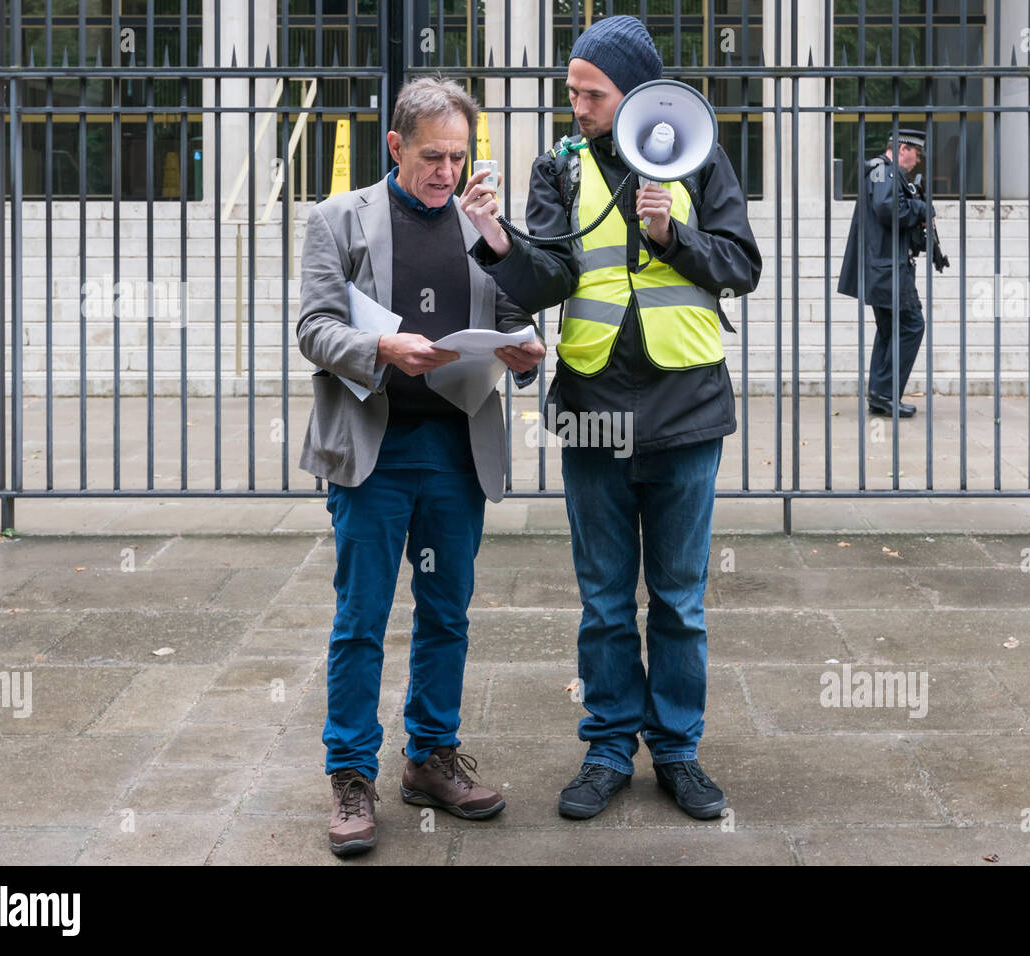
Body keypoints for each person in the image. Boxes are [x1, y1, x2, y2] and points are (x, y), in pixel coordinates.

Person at [461, 15, 762, 820]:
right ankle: (606, 749)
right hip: (594, 408)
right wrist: (494, 239)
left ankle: (677, 751)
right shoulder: (558, 166)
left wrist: (673, 235)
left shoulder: (699, 154)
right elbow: (549, 279)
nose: (577, 104)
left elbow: (742, 264)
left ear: (634, 94)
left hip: (687, 409)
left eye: (589, 93)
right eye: (571, 90)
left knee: (679, 600)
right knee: (602, 600)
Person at [296, 77, 545, 856]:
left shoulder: (481, 226)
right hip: (374, 447)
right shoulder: (338, 219)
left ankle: (431, 756)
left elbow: (513, 317)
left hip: (455, 447)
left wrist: (528, 350)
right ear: (396, 146)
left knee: (447, 612)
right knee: (360, 618)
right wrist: (379, 347)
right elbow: (314, 327)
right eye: (432, 155)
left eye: (459, 156)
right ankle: (350, 777)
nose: (447, 171)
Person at [836, 128, 931, 419]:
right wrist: (922, 207)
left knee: (890, 330)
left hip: (884, 267)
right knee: (912, 325)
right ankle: (887, 394)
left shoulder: (881, 172)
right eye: (917, 154)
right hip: (888, 269)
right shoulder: (884, 172)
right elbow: (889, 208)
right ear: (903, 148)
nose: (918, 161)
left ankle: (880, 396)